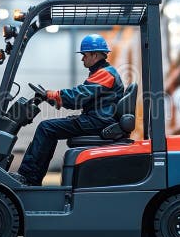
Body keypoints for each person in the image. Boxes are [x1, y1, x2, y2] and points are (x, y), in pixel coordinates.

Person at [12, 34, 125, 186]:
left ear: (95, 54)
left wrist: (54, 95)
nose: (82, 59)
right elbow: (80, 98)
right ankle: (32, 177)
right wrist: (54, 98)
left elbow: (77, 97)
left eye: (84, 55)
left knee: (46, 128)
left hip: (98, 121)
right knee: (49, 128)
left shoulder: (105, 74)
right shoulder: (102, 72)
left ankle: (29, 178)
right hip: (98, 119)